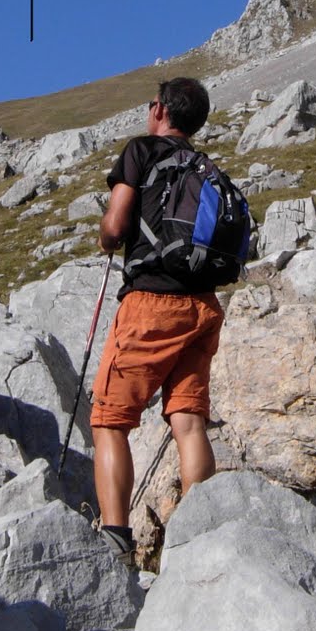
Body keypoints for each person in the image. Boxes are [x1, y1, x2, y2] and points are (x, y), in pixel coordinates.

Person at [89, 76, 225, 560]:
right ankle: (196, 535)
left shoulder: (141, 151)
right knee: (188, 421)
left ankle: (115, 537)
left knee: (109, 419)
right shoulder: (206, 167)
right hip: (204, 306)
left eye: (151, 104)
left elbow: (116, 224)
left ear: (162, 111)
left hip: (151, 304)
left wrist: (107, 239)